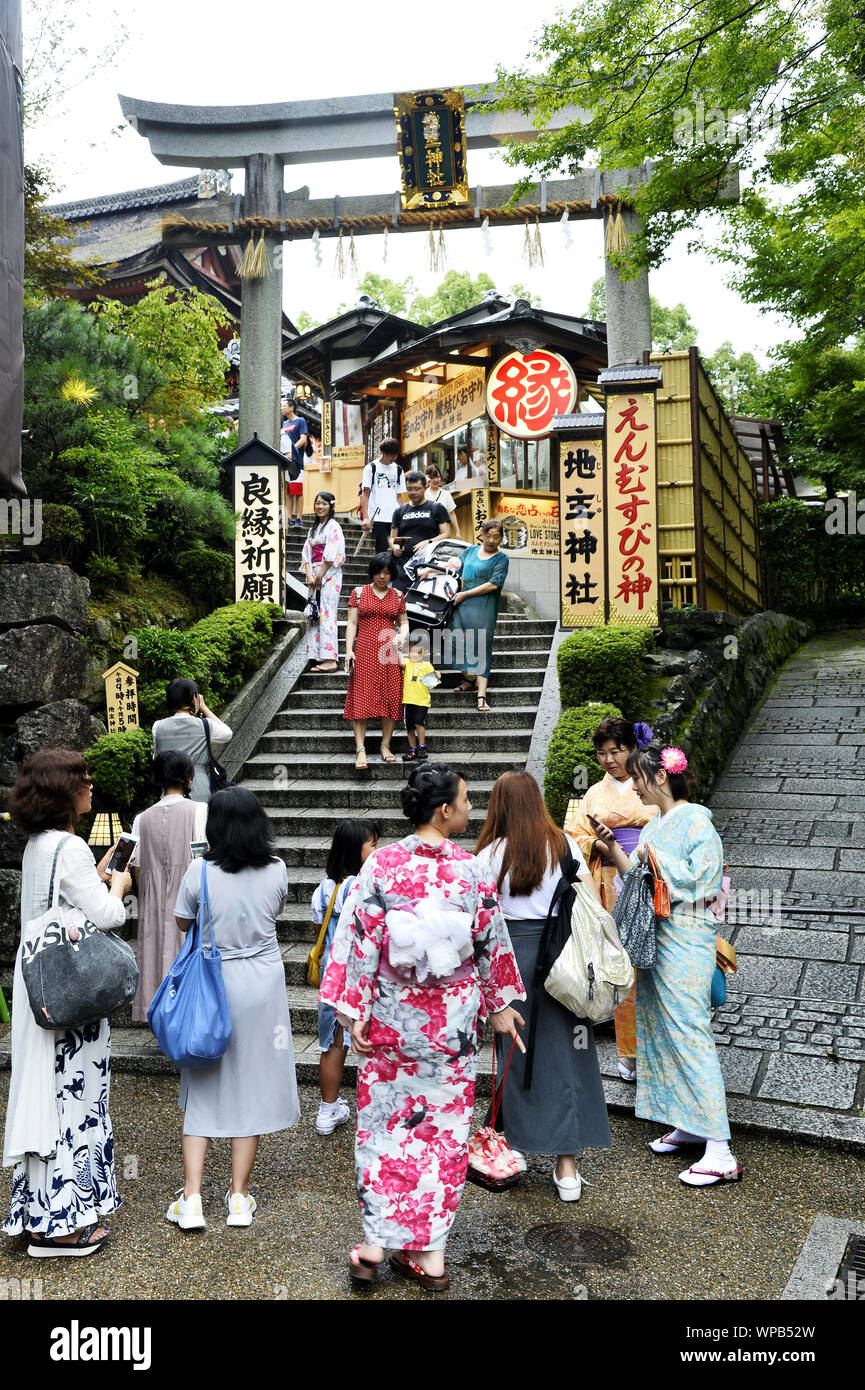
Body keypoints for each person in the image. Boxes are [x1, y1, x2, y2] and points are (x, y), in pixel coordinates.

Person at [320, 764, 525, 1290]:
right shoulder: (471, 870)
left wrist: (352, 1010)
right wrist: (498, 1005)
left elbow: (358, 941)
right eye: (465, 800)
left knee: (387, 1128)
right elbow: (487, 944)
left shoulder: (382, 865)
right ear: (444, 810)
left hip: (393, 1019)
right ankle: (429, 1255)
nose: (470, 808)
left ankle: (374, 1245)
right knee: (442, 1132)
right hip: (452, 1023)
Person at [592, 745, 743, 1188]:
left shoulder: (697, 820)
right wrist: (611, 848)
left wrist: (652, 860)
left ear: (659, 778)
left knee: (689, 1034)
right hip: (659, 939)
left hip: (685, 940)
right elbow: (640, 875)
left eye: (638, 777)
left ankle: (720, 1149)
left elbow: (707, 881)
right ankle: (689, 1122)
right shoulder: (656, 823)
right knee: (660, 1030)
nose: (632, 783)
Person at [3, 750, 132, 1257]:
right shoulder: (71, 845)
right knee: (73, 1100)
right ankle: (63, 1227)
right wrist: (118, 883)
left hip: (38, 983)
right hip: (70, 997)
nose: (90, 782)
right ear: (64, 792)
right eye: (82, 777)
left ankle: (40, 1215)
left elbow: (53, 910)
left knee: (44, 1093)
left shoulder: (39, 844)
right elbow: (107, 915)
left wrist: (94, 877)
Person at [167, 787, 300, 1230]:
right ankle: (239, 1198)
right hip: (261, 984)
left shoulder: (199, 871)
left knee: (203, 1084)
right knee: (252, 1084)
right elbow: (272, 914)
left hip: (213, 985)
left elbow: (184, 921)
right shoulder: (277, 869)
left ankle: (192, 1200)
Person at [475, 770, 611, 1201]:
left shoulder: (488, 855)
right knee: (570, 1056)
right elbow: (592, 903)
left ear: (499, 806)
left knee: (515, 1054)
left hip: (509, 959)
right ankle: (567, 1167)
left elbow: (476, 920)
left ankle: (511, 1149)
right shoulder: (564, 845)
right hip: (562, 959)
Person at [563, 717, 657, 1082]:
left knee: (652, 960)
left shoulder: (650, 782)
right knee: (622, 966)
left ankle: (656, 1047)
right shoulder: (593, 793)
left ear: (631, 748)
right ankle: (629, 1052)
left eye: (615, 751)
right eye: (601, 753)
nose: (608, 760)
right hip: (607, 882)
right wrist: (598, 846)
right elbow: (573, 836)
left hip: (649, 878)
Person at [312, 818, 379, 1136]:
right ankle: (378, 1111)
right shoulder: (365, 887)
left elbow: (319, 932)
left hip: (333, 977)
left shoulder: (323, 889)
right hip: (364, 978)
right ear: (357, 850)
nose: (377, 848)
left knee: (332, 1044)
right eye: (372, 843)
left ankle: (327, 1110)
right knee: (372, 1043)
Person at [129, 750, 207, 1022]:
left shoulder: (141, 819)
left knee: (154, 954)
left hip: (152, 900)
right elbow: (204, 858)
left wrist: (150, 893)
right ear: (188, 778)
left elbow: (137, 867)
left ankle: (158, 1013)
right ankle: (185, 1016)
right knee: (184, 951)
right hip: (188, 901)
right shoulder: (199, 811)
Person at [343, 553, 409, 770]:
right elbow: (352, 623)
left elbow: (404, 623)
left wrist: (401, 636)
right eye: (379, 571)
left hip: (389, 651)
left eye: (387, 572)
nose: (383, 576)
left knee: (390, 696)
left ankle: (385, 745)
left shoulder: (398, 596)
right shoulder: (359, 593)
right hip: (364, 649)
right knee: (362, 696)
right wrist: (348, 651)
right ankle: (360, 749)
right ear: (372, 571)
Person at [449, 519, 509, 712]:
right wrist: (428, 570)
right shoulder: (471, 551)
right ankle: (470, 678)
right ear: (482, 534)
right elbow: (454, 567)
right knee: (453, 642)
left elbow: (493, 584)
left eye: (496, 536)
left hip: (483, 607)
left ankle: (481, 695)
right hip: (460, 605)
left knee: (482, 647)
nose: (491, 540)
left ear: (501, 538)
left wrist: (465, 594)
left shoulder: (501, 558)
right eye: (488, 535)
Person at [151, 678, 232, 805]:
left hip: (168, 789)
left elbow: (156, 757)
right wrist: (203, 707)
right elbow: (227, 734)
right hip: (199, 786)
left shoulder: (158, 727)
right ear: (194, 699)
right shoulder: (204, 725)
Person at [301, 490, 345, 673]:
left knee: (327, 614)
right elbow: (306, 553)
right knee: (315, 615)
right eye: (317, 503)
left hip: (329, 575)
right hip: (315, 576)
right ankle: (317, 655)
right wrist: (310, 575)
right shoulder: (314, 529)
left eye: (324, 504)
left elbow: (332, 554)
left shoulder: (333, 526)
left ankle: (330, 659)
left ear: (331, 506)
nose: (320, 506)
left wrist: (320, 576)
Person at [389, 470, 450, 592]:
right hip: (402, 565)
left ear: (425, 487)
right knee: (399, 600)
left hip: (428, 565)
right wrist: (394, 546)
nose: (413, 492)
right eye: (409, 489)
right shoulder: (399, 511)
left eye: (417, 489)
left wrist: (428, 542)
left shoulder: (436, 508)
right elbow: (392, 537)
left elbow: (446, 534)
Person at [360, 438, 406, 554]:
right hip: (377, 516)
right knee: (381, 549)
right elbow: (365, 494)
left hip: (394, 516)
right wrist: (366, 517)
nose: (394, 458)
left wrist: (401, 515)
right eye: (391, 455)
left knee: (398, 549)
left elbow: (399, 496)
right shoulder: (371, 468)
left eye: (395, 455)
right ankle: (380, 572)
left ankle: (394, 572)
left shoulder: (398, 470)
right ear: (383, 452)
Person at [400, 636, 438, 763]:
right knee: (409, 726)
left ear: (425, 653)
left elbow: (432, 684)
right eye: (411, 651)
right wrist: (398, 650)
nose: (415, 655)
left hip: (422, 701)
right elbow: (400, 662)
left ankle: (422, 747)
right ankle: (412, 749)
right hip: (408, 700)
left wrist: (437, 675)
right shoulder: (407, 663)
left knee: (419, 722)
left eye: (419, 652)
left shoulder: (427, 665)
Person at [280, 395, 309, 528]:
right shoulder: (284, 424)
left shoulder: (300, 421)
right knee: (289, 491)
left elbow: (303, 439)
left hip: (297, 461)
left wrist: (292, 450)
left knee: (298, 491)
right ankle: (289, 517)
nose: (282, 408)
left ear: (291, 408)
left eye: (284, 406)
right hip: (286, 461)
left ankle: (299, 518)